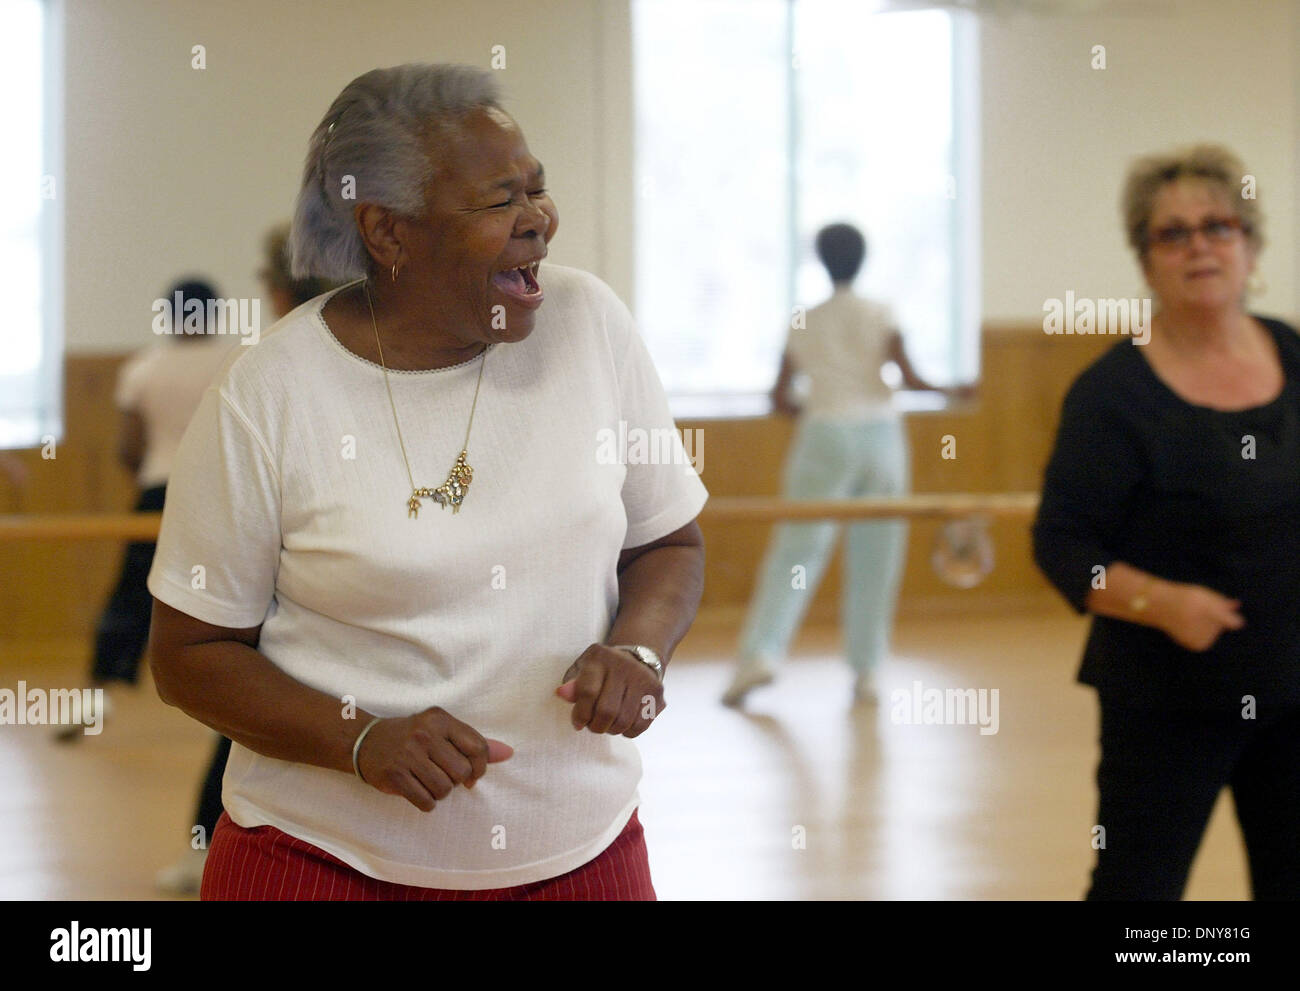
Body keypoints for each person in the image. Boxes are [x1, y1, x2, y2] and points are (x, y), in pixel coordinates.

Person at [145, 63, 707, 900]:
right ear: (388, 232)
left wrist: (637, 648)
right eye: (499, 202)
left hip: (581, 855)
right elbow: (189, 654)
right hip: (325, 864)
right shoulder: (269, 391)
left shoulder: (590, 325)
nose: (538, 223)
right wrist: (360, 739)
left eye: (537, 189)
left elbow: (670, 542)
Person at [1033, 143, 1300, 900]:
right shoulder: (1112, 394)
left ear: (1251, 246)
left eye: (1219, 226)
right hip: (1167, 695)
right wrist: (1162, 601)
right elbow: (1061, 545)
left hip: (1291, 682)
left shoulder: (1291, 352)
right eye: (1172, 233)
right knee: (1137, 893)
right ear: (1145, 260)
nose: (1200, 246)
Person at [155, 225, 337, 895]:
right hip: (231, 540)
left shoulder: (253, 372)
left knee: (242, 715)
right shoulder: (250, 370)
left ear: (278, 289)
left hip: (203, 522)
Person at [723, 222, 966, 707]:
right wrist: (954, 390)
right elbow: (912, 377)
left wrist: (811, 408)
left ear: (822, 260)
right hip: (881, 437)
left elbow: (778, 396)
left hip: (824, 434)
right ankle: (868, 668)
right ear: (862, 259)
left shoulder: (801, 319)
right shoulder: (880, 311)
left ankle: (761, 656)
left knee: (796, 549)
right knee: (877, 553)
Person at [54, 279, 235, 743]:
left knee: (129, 596)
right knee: (239, 596)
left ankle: (93, 701)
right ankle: (244, 710)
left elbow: (128, 447)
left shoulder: (144, 368)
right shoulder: (234, 360)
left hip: (158, 492)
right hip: (221, 493)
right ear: (213, 313)